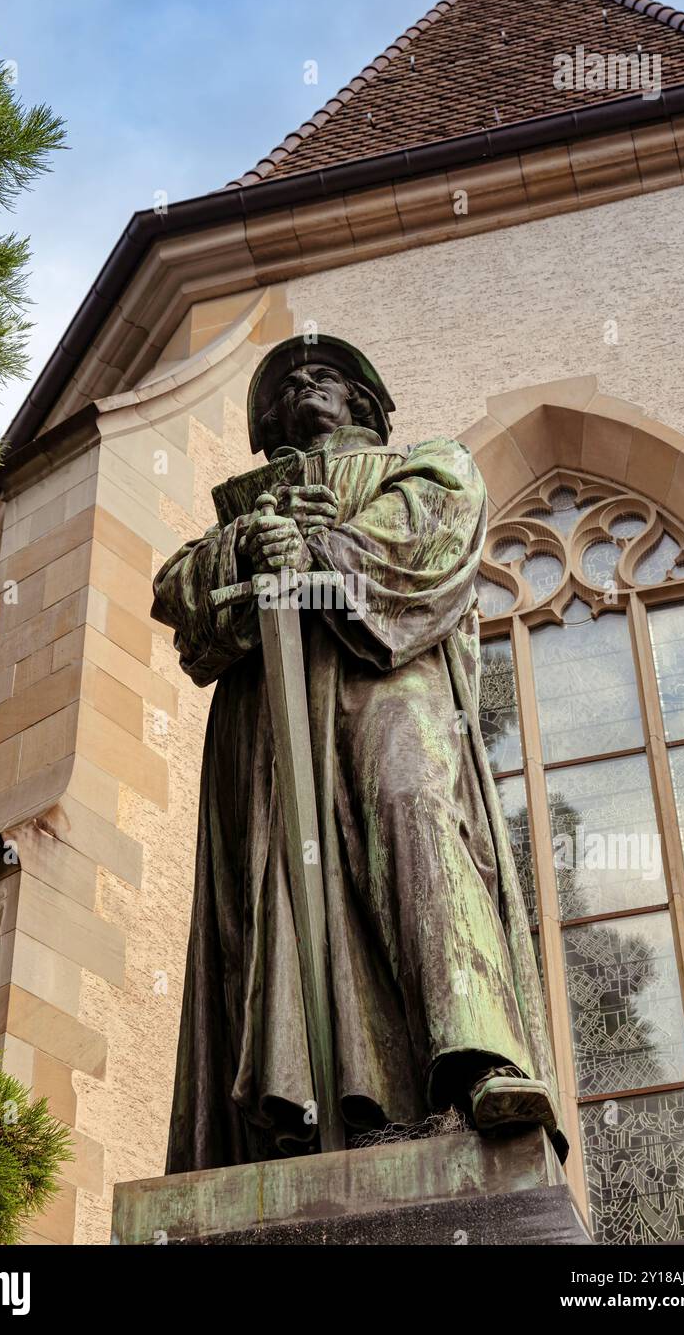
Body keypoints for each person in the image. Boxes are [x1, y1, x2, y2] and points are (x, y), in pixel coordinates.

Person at [152, 334, 567, 1171]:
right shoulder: (244, 507)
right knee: (276, 882)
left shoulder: (424, 463)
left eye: (325, 378)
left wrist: (317, 548)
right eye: (289, 385)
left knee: (414, 813)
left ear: (364, 402)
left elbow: (433, 536)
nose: (306, 390)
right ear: (269, 424)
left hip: (386, 678)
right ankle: (301, 1105)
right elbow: (177, 591)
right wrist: (244, 550)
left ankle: (481, 1058)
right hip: (270, 717)